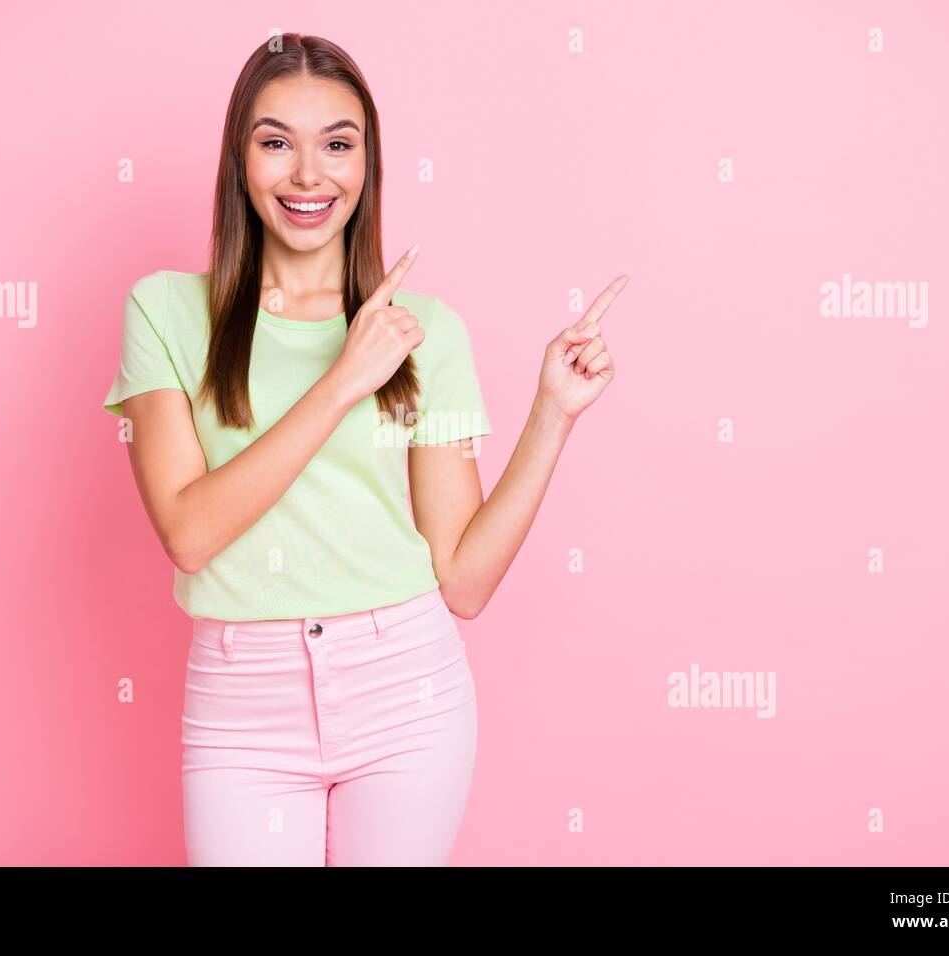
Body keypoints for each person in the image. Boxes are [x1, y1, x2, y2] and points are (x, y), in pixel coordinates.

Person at [101, 32, 626, 866]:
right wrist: (345, 378)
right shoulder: (165, 312)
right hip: (245, 702)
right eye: (276, 143)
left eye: (337, 145)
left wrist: (552, 413)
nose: (309, 176)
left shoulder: (427, 332)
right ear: (240, 160)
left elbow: (465, 580)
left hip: (406, 693)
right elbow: (189, 533)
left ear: (367, 165)